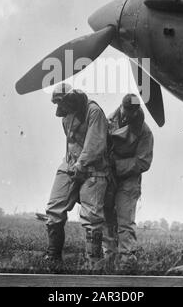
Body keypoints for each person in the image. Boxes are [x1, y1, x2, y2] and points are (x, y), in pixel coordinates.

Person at [45, 83, 109, 271]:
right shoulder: (66, 116)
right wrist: (72, 166)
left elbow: (95, 144)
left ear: (70, 100)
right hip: (70, 165)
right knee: (54, 209)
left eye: (61, 102)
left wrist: (80, 164)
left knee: (92, 217)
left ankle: (94, 262)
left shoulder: (94, 111)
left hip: (94, 169)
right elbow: (71, 144)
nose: (59, 108)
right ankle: (53, 255)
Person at [103, 94, 154, 273]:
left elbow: (143, 162)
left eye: (132, 112)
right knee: (106, 216)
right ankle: (108, 257)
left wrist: (117, 165)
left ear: (137, 111)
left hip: (129, 179)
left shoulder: (145, 132)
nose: (127, 115)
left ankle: (127, 260)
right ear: (122, 107)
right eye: (126, 110)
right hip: (109, 176)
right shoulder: (109, 120)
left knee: (125, 219)